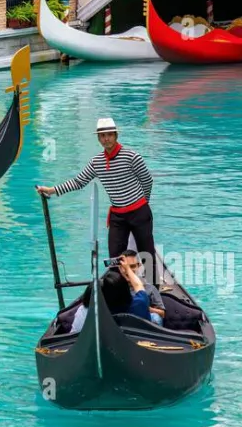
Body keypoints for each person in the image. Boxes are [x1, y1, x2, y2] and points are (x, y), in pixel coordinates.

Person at [36, 117, 157, 283]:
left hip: (139, 212)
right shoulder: (96, 162)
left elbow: (147, 180)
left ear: (115, 136)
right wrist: (53, 190)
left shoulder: (132, 157)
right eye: (102, 135)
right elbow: (78, 182)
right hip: (118, 216)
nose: (106, 138)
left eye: (109, 134)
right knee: (115, 259)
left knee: (147, 255)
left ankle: (155, 295)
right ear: (98, 138)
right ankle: (119, 292)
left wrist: (144, 205)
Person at [114, 251, 166, 325]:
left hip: (145, 324)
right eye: (126, 267)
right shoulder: (113, 287)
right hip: (121, 324)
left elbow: (162, 313)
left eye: (132, 266)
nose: (130, 270)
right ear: (120, 268)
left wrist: (144, 308)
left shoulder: (150, 288)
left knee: (155, 317)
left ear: (138, 266)